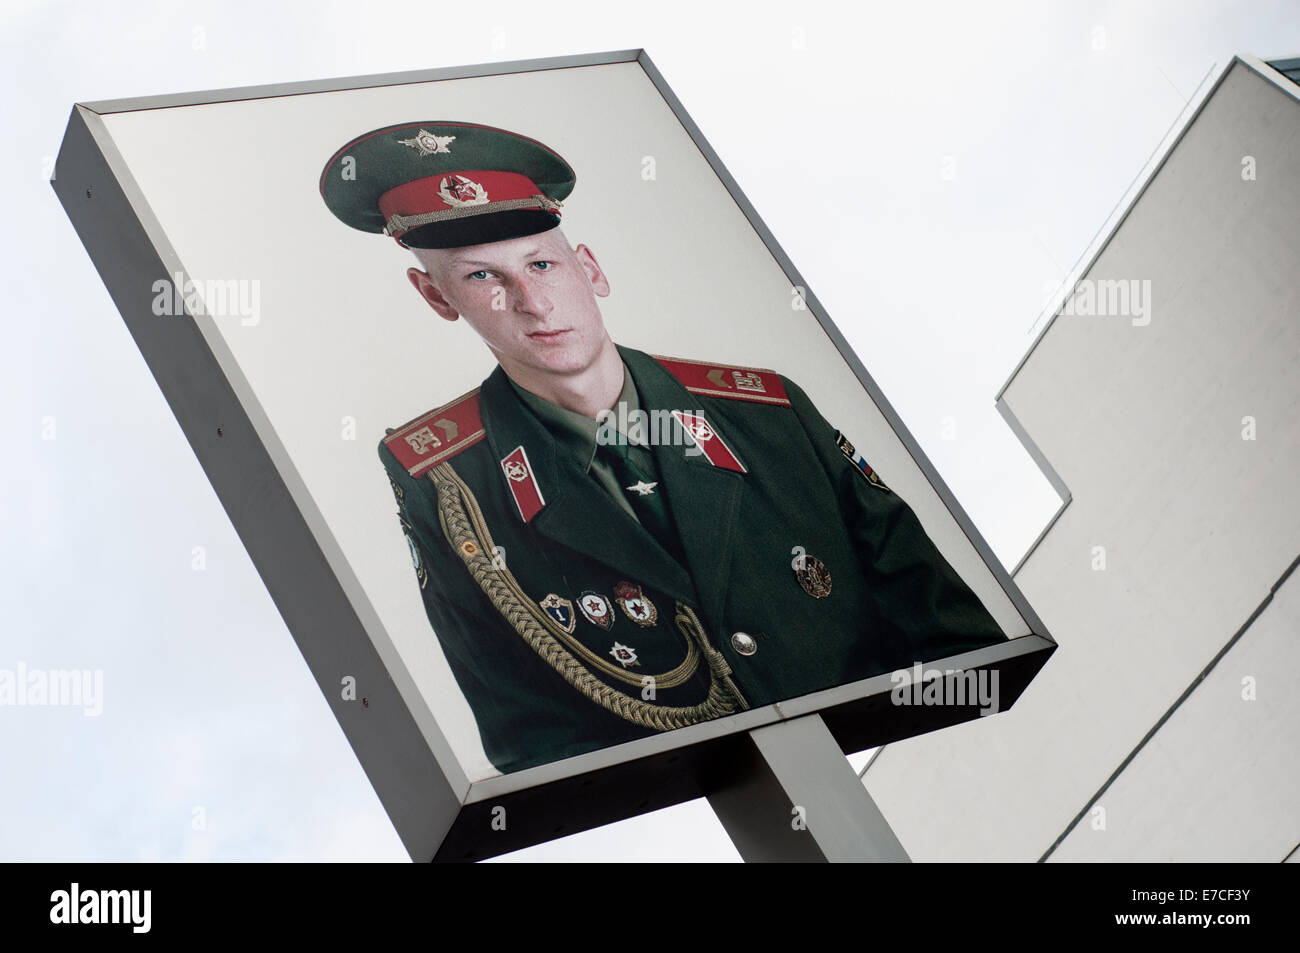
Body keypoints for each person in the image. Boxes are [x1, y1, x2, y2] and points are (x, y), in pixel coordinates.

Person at [320, 121, 1007, 774]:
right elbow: (528, 735)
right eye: (482, 277)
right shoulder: (444, 479)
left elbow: (954, 639)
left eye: (541, 263)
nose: (532, 300)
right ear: (436, 297)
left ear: (589, 268)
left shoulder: (768, 412)